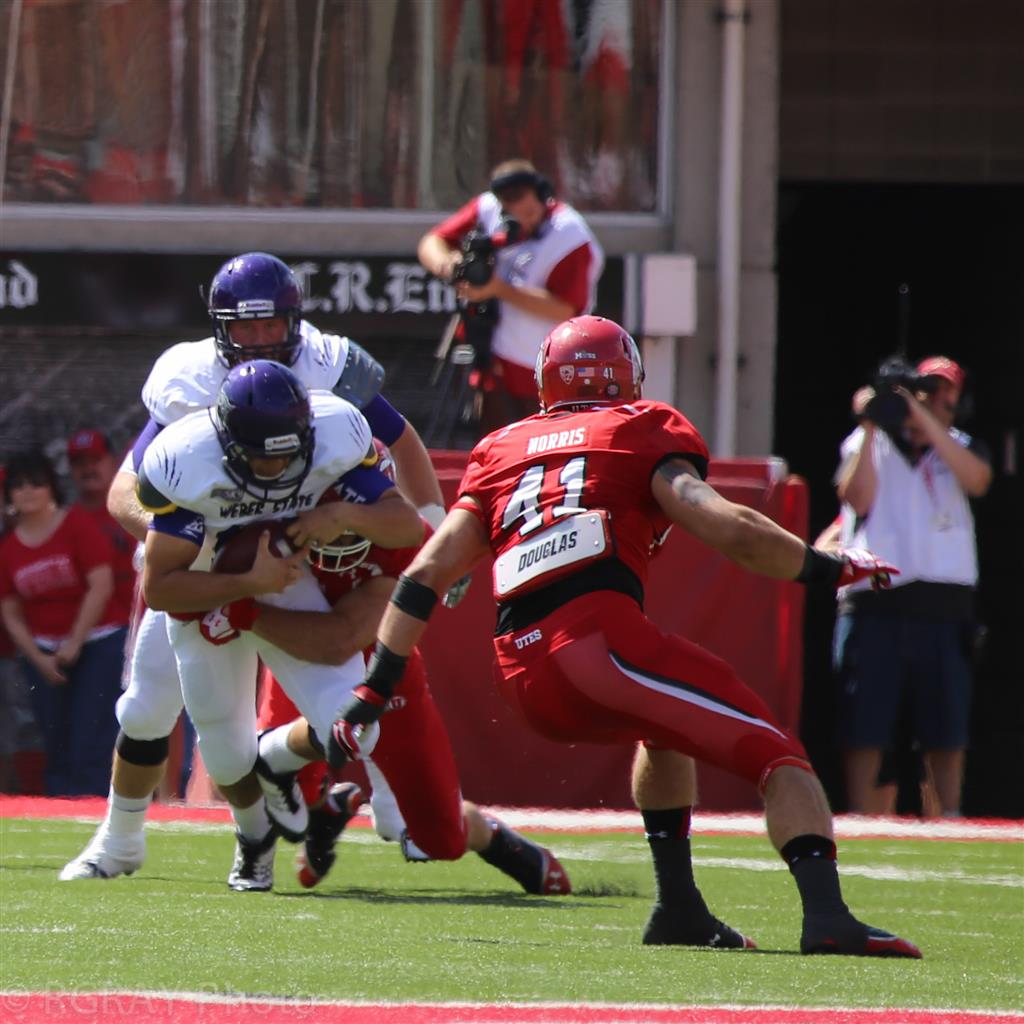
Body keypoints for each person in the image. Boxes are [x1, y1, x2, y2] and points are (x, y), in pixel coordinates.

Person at [331, 316, 923, 958]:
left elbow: (424, 576)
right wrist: (828, 566)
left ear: (546, 384)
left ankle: (678, 909)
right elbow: (731, 528)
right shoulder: (639, 428)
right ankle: (828, 916)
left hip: (522, 678)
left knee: (663, 732)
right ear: (629, 378)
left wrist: (375, 688)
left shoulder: (500, 448)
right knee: (778, 755)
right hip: (598, 648)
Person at [61, 251, 446, 883]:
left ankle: (379, 801)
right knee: (148, 709)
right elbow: (125, 493)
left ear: (295, 321)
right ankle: (122, 837)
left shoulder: (330, 380)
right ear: (221, 327)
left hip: (300, 558)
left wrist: (429, 533)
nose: (262, 339)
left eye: (272, 325)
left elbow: (401, 443)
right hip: (208, 564)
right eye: (246, 326)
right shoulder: (187, 398)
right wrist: (196, 547)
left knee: (355, 697)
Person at [229, 451, 569, 896]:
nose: (342, 538)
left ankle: (495, 839)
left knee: (434, 840)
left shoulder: (408, 543)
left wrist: (239, 610)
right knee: (279, 795)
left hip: (380, 674)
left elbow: (341, 640)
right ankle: (317, 809)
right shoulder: (278, 518)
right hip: (298, 655)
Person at [140, 360, 422, 890]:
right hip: (207, 590)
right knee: (226, 755)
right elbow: (159, 587)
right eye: (263, 457)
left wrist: (342, 515)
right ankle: (254, 839)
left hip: (284, 574)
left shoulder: (335, 432)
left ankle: (274, 757)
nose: (278, 468)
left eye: (289, 453)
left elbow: (407, 525)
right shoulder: (188, 461)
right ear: (229, 443)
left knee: (357, 727)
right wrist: (246, 581)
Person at [834, 355, 991, 817]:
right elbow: (855, 496)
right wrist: (871, 422)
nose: (936, 403)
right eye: (927, 394)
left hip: (944, 603)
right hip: (877, 598)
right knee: (865, 720)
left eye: (946, 398)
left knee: (945, 725)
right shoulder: (867, 443)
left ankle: (948, 817)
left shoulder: (962, 446)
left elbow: (977, 481)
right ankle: (860, 815)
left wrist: (926, 420)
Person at [418, 159, 604, 433]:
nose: (520, 214)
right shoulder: (488, 208)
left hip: (544, 372)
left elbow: (566, 309)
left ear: (541, 194)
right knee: (493, 442)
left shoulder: (570, 235)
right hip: (491, 358)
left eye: (527, 208)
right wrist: (452, 267)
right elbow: (431, 242)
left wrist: (498, 289)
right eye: (509, 203)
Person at [0, 452, 125, 796]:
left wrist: (74, 642)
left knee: (91, 735)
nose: (27, 490)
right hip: (43, 653)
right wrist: (38, 658)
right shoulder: (9, 547)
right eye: (18, 485)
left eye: (36, 482)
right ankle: (60, 806)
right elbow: (10, 610)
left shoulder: (76, 524)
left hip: (98, 641)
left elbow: (101, 584)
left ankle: (93, 804)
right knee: (54, 740)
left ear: (52, 487)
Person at [66, 430, 137, 634]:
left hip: (145, 617)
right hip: (98, 632)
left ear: (113, 461)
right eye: (80, 463)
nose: (88, 469)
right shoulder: (66, 522)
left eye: (95, 460)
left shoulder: (137, 506)